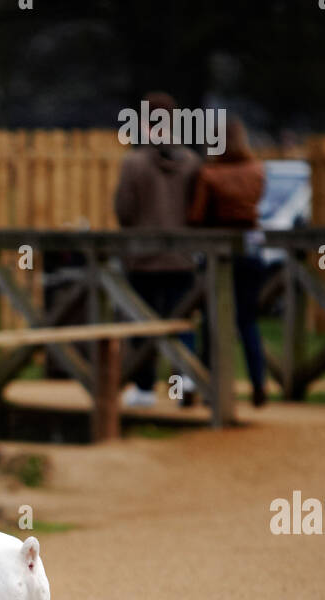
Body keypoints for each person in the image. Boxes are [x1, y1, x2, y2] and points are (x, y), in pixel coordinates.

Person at [114, 92, 201, 406]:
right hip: (182, 259)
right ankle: (185, 382)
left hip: (142, 259)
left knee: (143, 325)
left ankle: (145, 389)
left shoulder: (134, 162)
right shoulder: (191, 162)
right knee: (182, 323)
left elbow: (123, 210)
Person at [188, 118, 267, 407]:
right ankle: (258, 383)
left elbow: (196, 216)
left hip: (219, 253)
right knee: (247, 322)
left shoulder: (210, 174)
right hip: (252, 250)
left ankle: (211, 386)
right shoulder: (257, 170)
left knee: (212, 321)